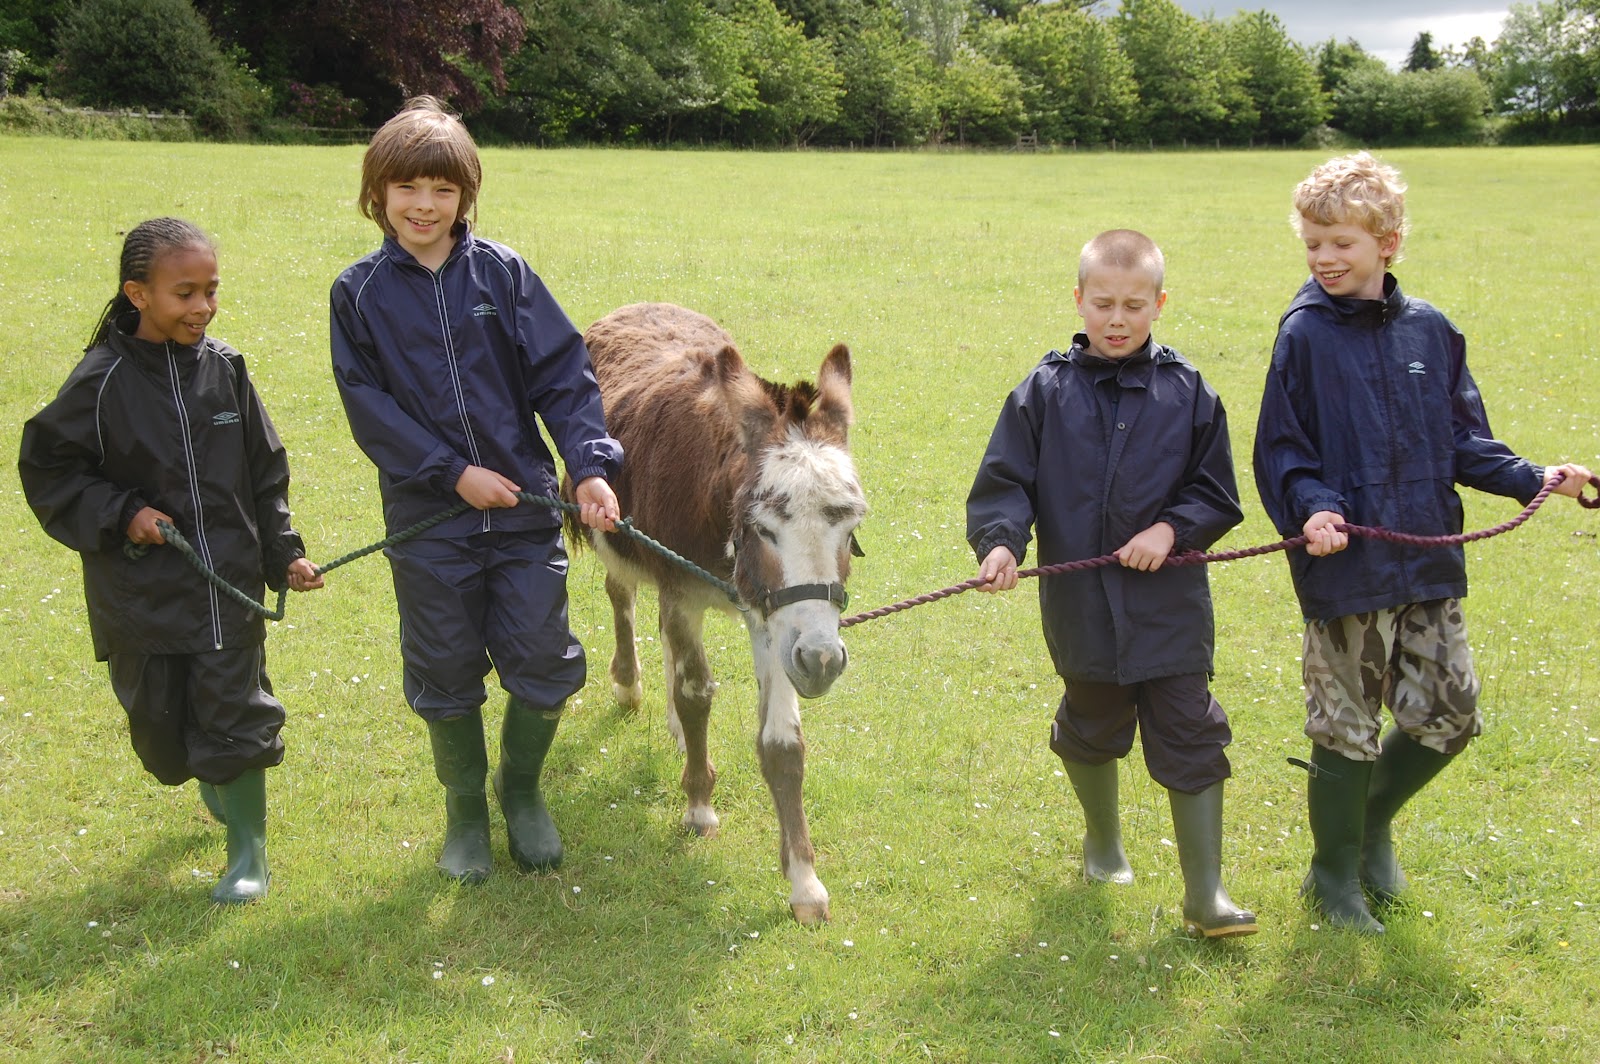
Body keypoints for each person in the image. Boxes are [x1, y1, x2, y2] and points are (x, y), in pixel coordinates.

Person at [1254, 152, 1594, 934]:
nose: (1325, 258)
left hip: (1429, 557)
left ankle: (1368, 824)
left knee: (1451, 714)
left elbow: (1462, 440)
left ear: (1389, 242)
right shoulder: (1303, 335)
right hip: (1345, 565)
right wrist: (1313, 511)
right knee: (1344, 723)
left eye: (1340, 242)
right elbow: (1282, 449)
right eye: (1312, 243)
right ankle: (1332, 875)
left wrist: (1537, 476)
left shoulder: (1431, 331)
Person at [329, 97, 622, 884]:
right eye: (407, 188)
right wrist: (452, 473)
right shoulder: (356, 294)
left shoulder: (504, 273)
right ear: (377, 192)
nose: (424, 205)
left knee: (543, 657)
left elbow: (564, 377)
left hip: (525, 515)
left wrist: (589, 467)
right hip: (429, 525)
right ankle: (465, 811)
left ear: (466, 197)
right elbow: (369, 407)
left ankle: (519, 792)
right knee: (444, 666)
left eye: (443, 190)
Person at [18, 216, 323, 905]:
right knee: (161, 741)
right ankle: (213, 776)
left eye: (211, 291)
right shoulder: (98, 382)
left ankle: (248, 851)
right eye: (185, 292)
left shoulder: (226, 370)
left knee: (237, 717)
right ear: (137, 294)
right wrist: (124, 514)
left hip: (228, 590)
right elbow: (51, 471)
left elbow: (264, 473)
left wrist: (286, 556)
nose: (203, 307)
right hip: (142, 599)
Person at [967, 229, 1256, 938]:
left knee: (1191, 728)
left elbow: (1216, 491)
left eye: (1134, 304)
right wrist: (1002, 544)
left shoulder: (1188, 392)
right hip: (1083, 608)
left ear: (1160, 303)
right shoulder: (1042, 392)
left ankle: (1206, 895)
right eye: (1103, 304)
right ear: (1079, 300)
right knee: (1093, 721)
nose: (1118, 319)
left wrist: (1171, 531)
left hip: (1170, 609)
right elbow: (1005, 483)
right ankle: (1103, 843)